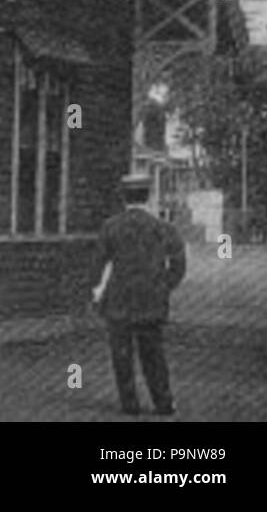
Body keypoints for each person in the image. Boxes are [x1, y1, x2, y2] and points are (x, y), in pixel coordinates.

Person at [92, 171, 187, 416]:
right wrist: (163, 287)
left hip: (118, 302)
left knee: (121, 358)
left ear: (124, 196)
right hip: (151, 303)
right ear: (149, 195)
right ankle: (163, 404)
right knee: (154, 357)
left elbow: (98, 265)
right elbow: (178, 265)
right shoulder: (164, 228)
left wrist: (97, 292)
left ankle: (129, 405)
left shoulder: (110, 226)